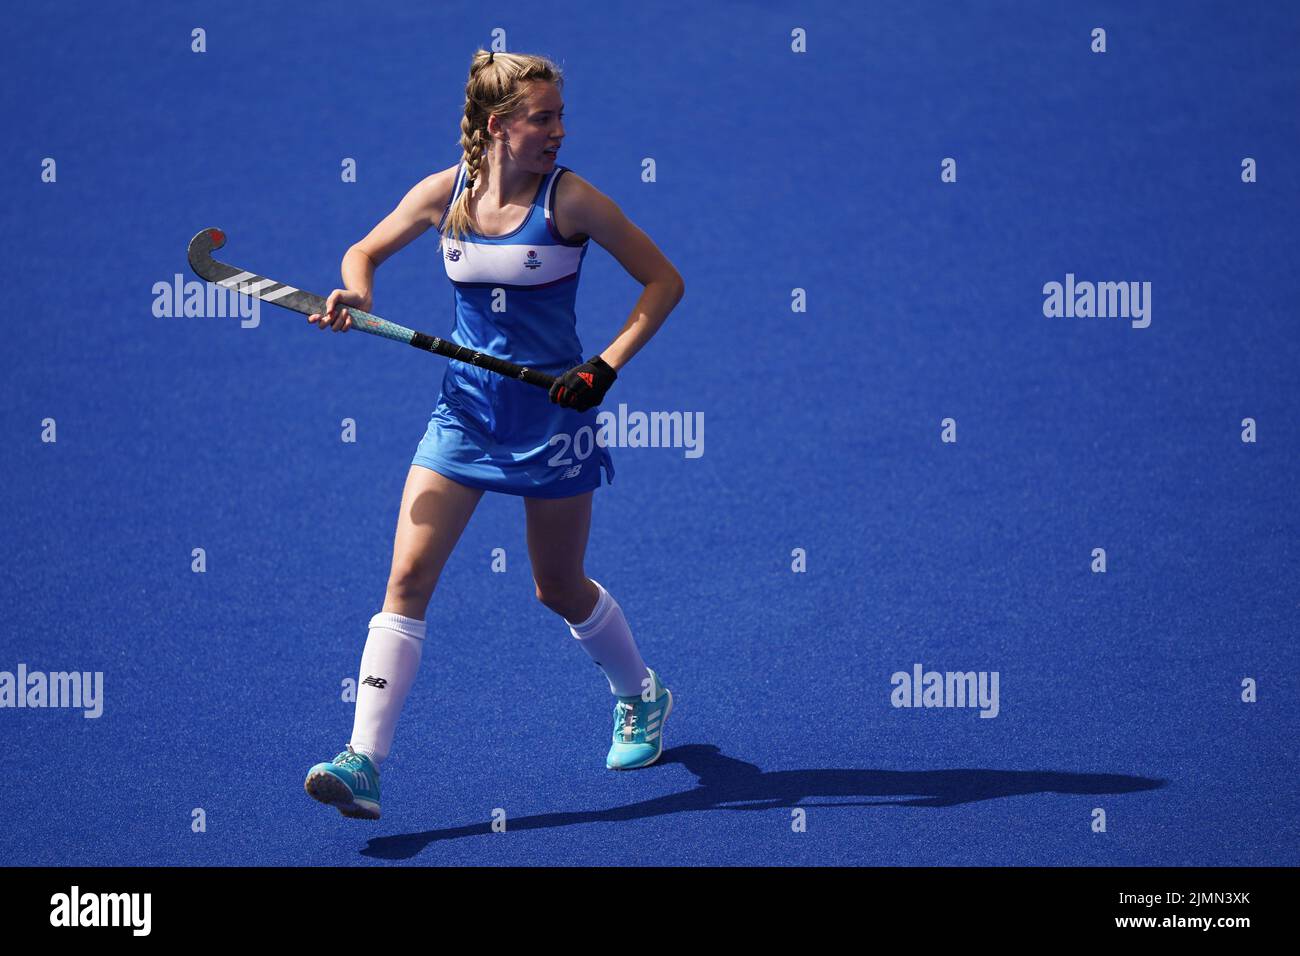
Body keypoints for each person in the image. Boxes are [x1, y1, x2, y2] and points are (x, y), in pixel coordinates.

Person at [301, 48, 685, 820]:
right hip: (466, 413)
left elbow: (663, 280)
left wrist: (603, 368)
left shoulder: (572, 202)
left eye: (559, 116)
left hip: (553, 416)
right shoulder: (446, 194)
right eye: (542, 118)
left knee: (557, 587)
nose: (558, 131)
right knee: (407, 580)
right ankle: (364, 761)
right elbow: (365, 250)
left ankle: (641, 693)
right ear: (498, 126)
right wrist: (357, 290)